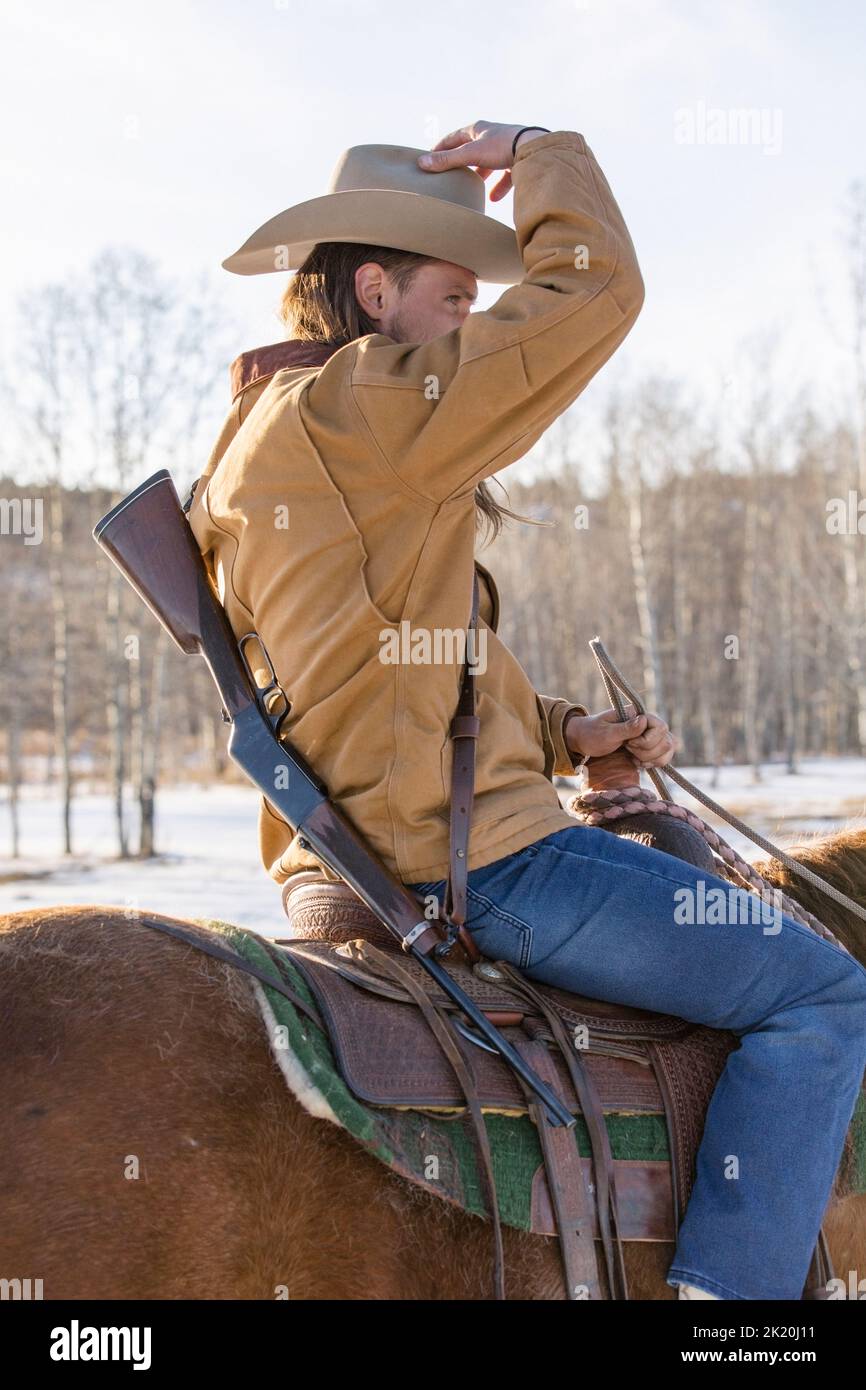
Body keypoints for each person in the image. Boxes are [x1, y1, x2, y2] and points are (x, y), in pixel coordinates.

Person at [187, 120, 866, 1301]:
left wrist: (562, 733)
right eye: (452, 296)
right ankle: (732, 1314)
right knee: (823, 988)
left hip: (339, 859)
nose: (465, 323)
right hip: (479, 864)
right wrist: (545, 152)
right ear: (372, 287)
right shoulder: (359, 403)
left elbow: (381, 666)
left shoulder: (257, 441)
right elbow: (593, 291)